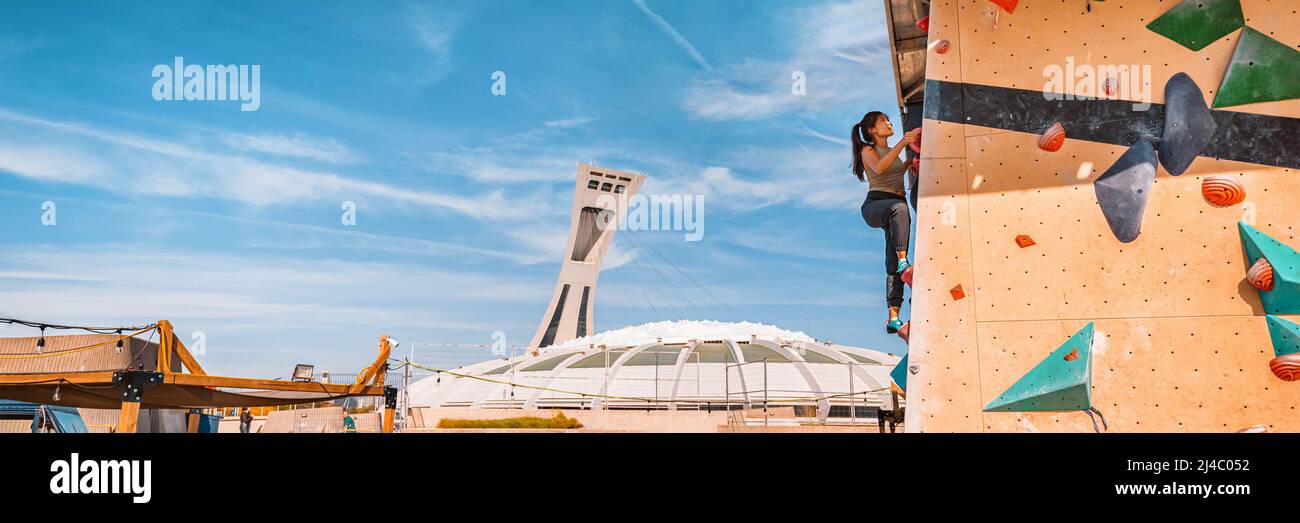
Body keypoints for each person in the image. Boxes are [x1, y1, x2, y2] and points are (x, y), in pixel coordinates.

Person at [852, 111, 920, 334]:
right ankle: (904, 261)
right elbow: (880, 168)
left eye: (889, 120)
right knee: (900, 209)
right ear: (872, 129)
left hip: (895, 205)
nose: (889, 123)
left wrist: (909, 163)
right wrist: (903, 142)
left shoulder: (892, 152)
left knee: (893, 259)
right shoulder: (868, 150)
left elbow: (894, 170)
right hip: (876, 205)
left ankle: (893, 318)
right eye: (883, 120)